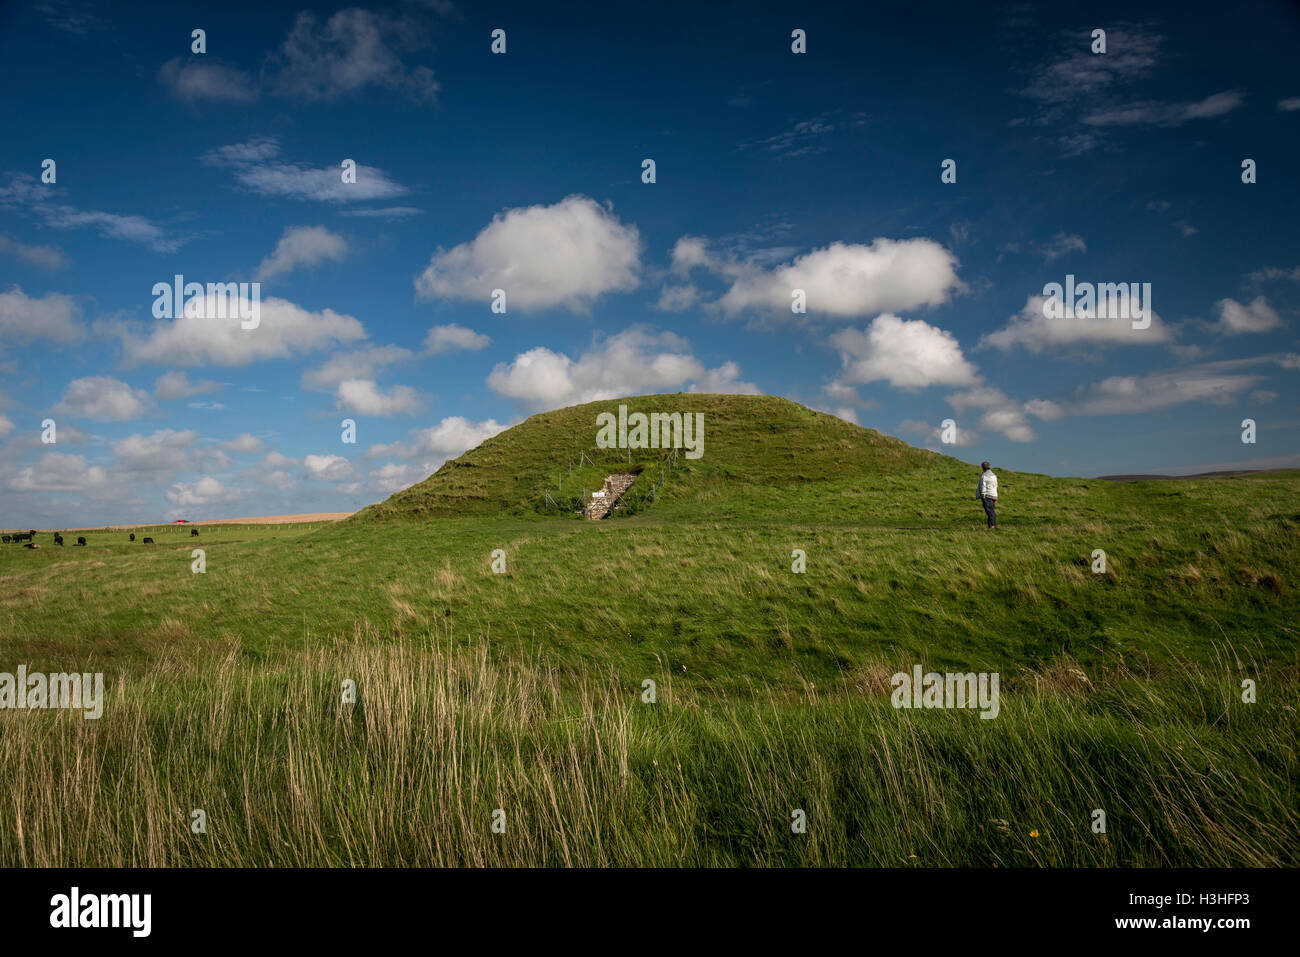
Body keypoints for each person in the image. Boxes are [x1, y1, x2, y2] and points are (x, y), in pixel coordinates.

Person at [976, 461, 998, 529]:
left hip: (987, 496)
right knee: (991, 511)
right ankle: (991, 526)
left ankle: (992, 526)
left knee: (990, 512)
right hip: (993, 495)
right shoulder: (994, 475)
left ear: (982, 467)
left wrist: (983, 496)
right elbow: (996, 485)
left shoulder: (984, 476)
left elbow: (982, 486)